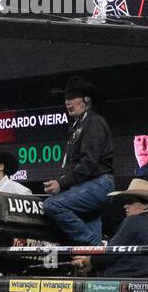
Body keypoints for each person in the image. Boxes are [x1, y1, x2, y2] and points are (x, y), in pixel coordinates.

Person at [70, 179, 148, 292]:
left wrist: (89, 260)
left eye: (131, 201)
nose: (125, 206)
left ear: (146, 204)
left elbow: (110, 253)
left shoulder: (133, 221)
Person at [42, 76, 114, 244]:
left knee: (51, 205)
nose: (68, 102)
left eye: (72, 98)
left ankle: (96, 247)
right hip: (88, 185)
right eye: (66, 99)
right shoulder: (77, 126)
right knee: (88, 235)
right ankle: (96, 262)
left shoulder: (94, 122)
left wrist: (62, 183)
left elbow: (89, 163)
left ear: (86, 99)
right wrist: (62, 181)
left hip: (98, 184)